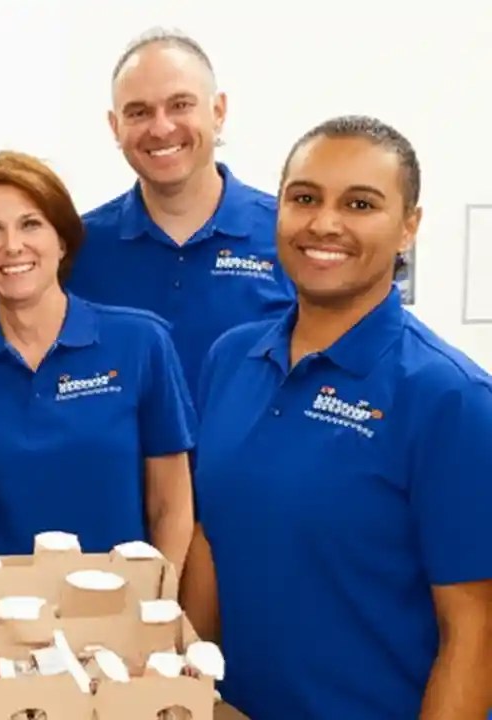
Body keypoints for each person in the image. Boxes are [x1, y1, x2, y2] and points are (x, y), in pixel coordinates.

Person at [182, 116, 492, 719]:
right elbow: (210, 539)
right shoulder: (230, 359)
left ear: (409, 227)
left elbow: (475, 631)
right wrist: (188, 690)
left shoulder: (451, 399)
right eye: (304, 198)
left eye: (360, 203)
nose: (325, 223)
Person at [0, 150, 195, 565]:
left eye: (31, 224)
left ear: (61, 240)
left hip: (113, 610)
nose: (12, 246)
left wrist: (156, 602)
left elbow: (171, 507)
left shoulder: (140, 343)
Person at [68, 28, 294, 392]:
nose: (161, 127)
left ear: (218, 111)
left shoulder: (288, 235)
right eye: (138, 112)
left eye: (180, 105)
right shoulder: (77, 248)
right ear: (115, 126)